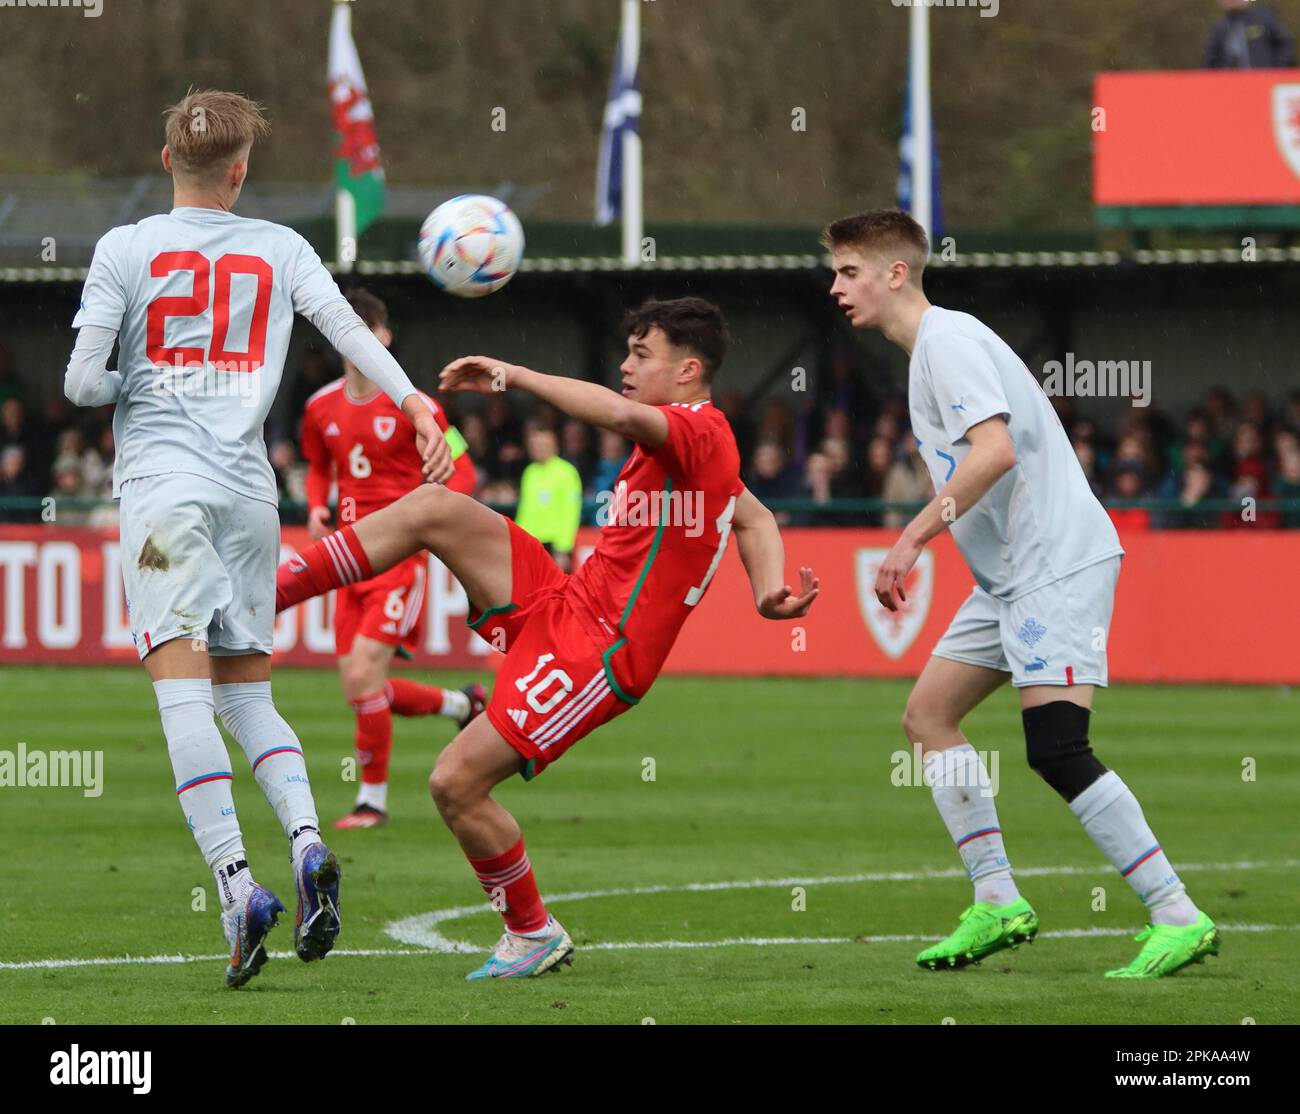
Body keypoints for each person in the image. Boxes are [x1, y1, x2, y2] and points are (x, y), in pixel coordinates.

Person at [275, 297, 819, 979]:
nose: (625, 365)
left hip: (602, 646)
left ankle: (530, 931)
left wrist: (515, 375)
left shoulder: (699, 433)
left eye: (640, 354)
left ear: (687, 372)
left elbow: (622, 416)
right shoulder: (695, 447)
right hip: (567, 600)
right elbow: (756, 515)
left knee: (454, 783)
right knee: (433, 507)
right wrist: (769, 590)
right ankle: (265, 595)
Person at [62, 89, 453, 988]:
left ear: (167, 162)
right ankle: (310, 840)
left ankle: (239, 888)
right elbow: (348, 330)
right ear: (241, 173)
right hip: (249, 496)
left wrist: (148, 379)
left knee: (179, 688)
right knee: (246, 691)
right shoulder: (282, 249)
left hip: (164, 492)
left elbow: (84, 382)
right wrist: (413, 403)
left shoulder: (125, 248)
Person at [825, 209, 1217, 979]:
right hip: (1010, 576)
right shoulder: (929, 351)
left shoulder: (947, 342)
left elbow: (995, 451)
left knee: (1058, 749)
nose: (835, 287)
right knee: (929, 717)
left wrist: (910, 538)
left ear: (894, 272)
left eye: (847, 271)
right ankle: (999, 899)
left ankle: (1178, 913)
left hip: (1054, 564)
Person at [299, 287, 485, 830]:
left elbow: (464, 470)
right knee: (362, 688)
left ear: (384, 338)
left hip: (397, 559)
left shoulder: (418, 407)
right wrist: (315, 507)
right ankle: (461, 705)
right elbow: (317, 467)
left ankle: (372, 803)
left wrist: (431, 517)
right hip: (345, 560)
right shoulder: (320, 408)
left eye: (368, 331)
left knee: (362, 676)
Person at [515, 422, 583, 571]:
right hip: (530, 544)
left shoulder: (566, 472)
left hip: (554, 544)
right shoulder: (529, 472)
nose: (537, 449)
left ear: (554, 445)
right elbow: (524, 510)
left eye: (542, 445)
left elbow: (571, 511)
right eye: (534, 445)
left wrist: (563, 547)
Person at [1204, 0, 1296, 68]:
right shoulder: (1219, 28)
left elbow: (1285, 45)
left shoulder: (1264, 19)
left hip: (1265, 83)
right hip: (1232, 86)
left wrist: (1275, 69)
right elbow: (1210, 61)